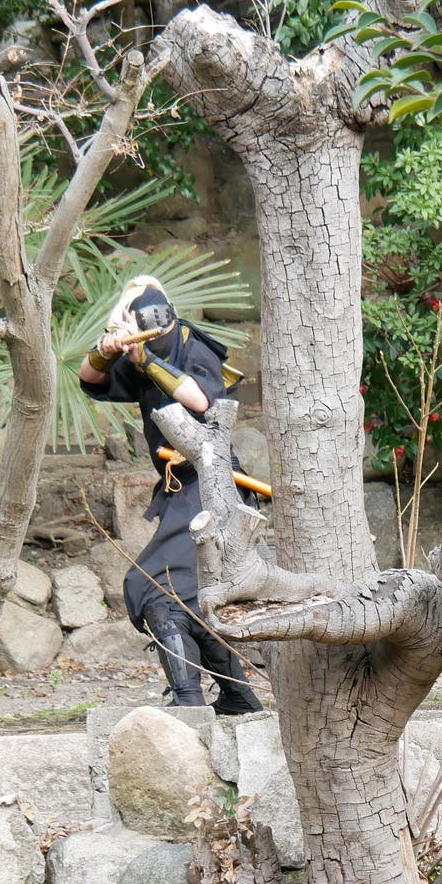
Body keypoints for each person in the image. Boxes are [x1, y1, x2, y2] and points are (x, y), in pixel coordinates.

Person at [78, 275, 264, 715]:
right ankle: (237, 698)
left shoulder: (193, 347)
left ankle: (189, 701)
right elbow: (89, 379)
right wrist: (107, 349)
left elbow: (201, 401)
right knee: (183, 595)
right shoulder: (137, 355)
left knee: (156, 589)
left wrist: (145, 359)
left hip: (215, 487)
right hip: (182, 491)